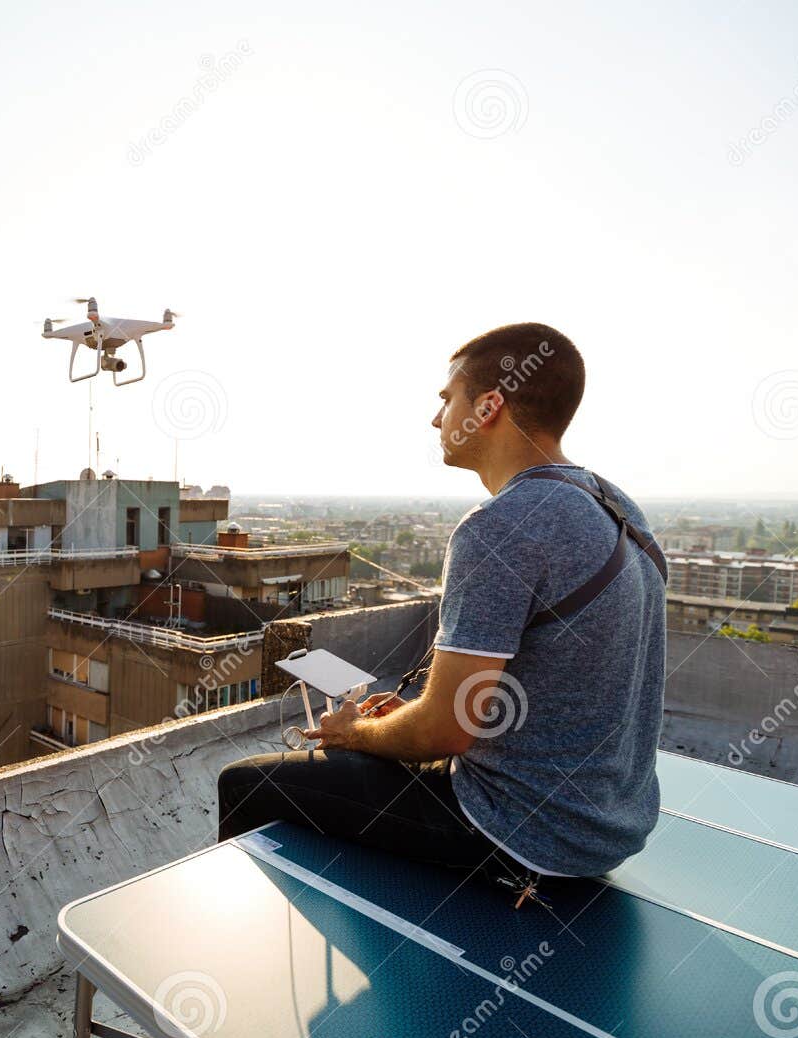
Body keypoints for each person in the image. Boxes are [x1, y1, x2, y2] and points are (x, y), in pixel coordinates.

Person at [217, 323, 666, 885]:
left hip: (520, 833)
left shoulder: (501, 527)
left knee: (245, 783)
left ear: (489, 406)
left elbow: (447, 732)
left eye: (446, 400)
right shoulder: (618, 506)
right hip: (610, 827)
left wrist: (350, 733)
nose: (437, 419)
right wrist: (405, 721)